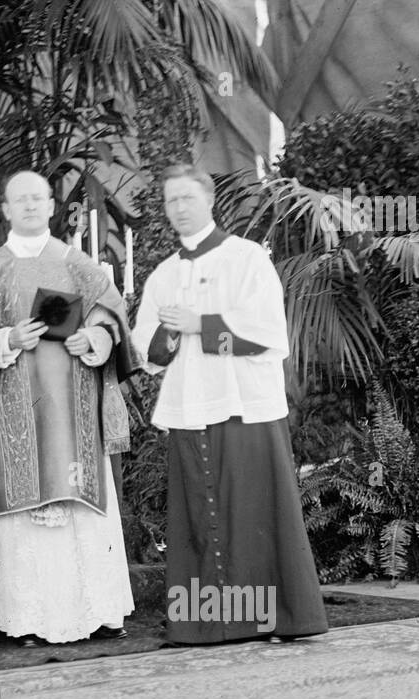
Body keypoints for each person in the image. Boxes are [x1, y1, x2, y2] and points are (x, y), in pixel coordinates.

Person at [131, 164, 328, 645]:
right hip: (191, 406)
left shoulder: (246, 258)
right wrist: (170, 335)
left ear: (209, 200)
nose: (179, 208)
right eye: (171, 201)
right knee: (199, 515)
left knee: (256, 513)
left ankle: (279, 618)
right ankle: (208, 623)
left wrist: (200, 323)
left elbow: (266, 335)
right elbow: (147, 353)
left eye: (187, 198)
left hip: (246, 406)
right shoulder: (163, 274)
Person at [0, 171, 137, 646]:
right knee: (28, 505)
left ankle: (99, 612)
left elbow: (111, 318)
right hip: (17, 405)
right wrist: (5, 338)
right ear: (5, 209)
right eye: (21, 200)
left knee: (82, 504)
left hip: (74, 407)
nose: (31, 207)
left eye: (38, 198)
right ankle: (30, 619)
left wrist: (95, 338)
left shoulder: (76, 262)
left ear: (49, 204)